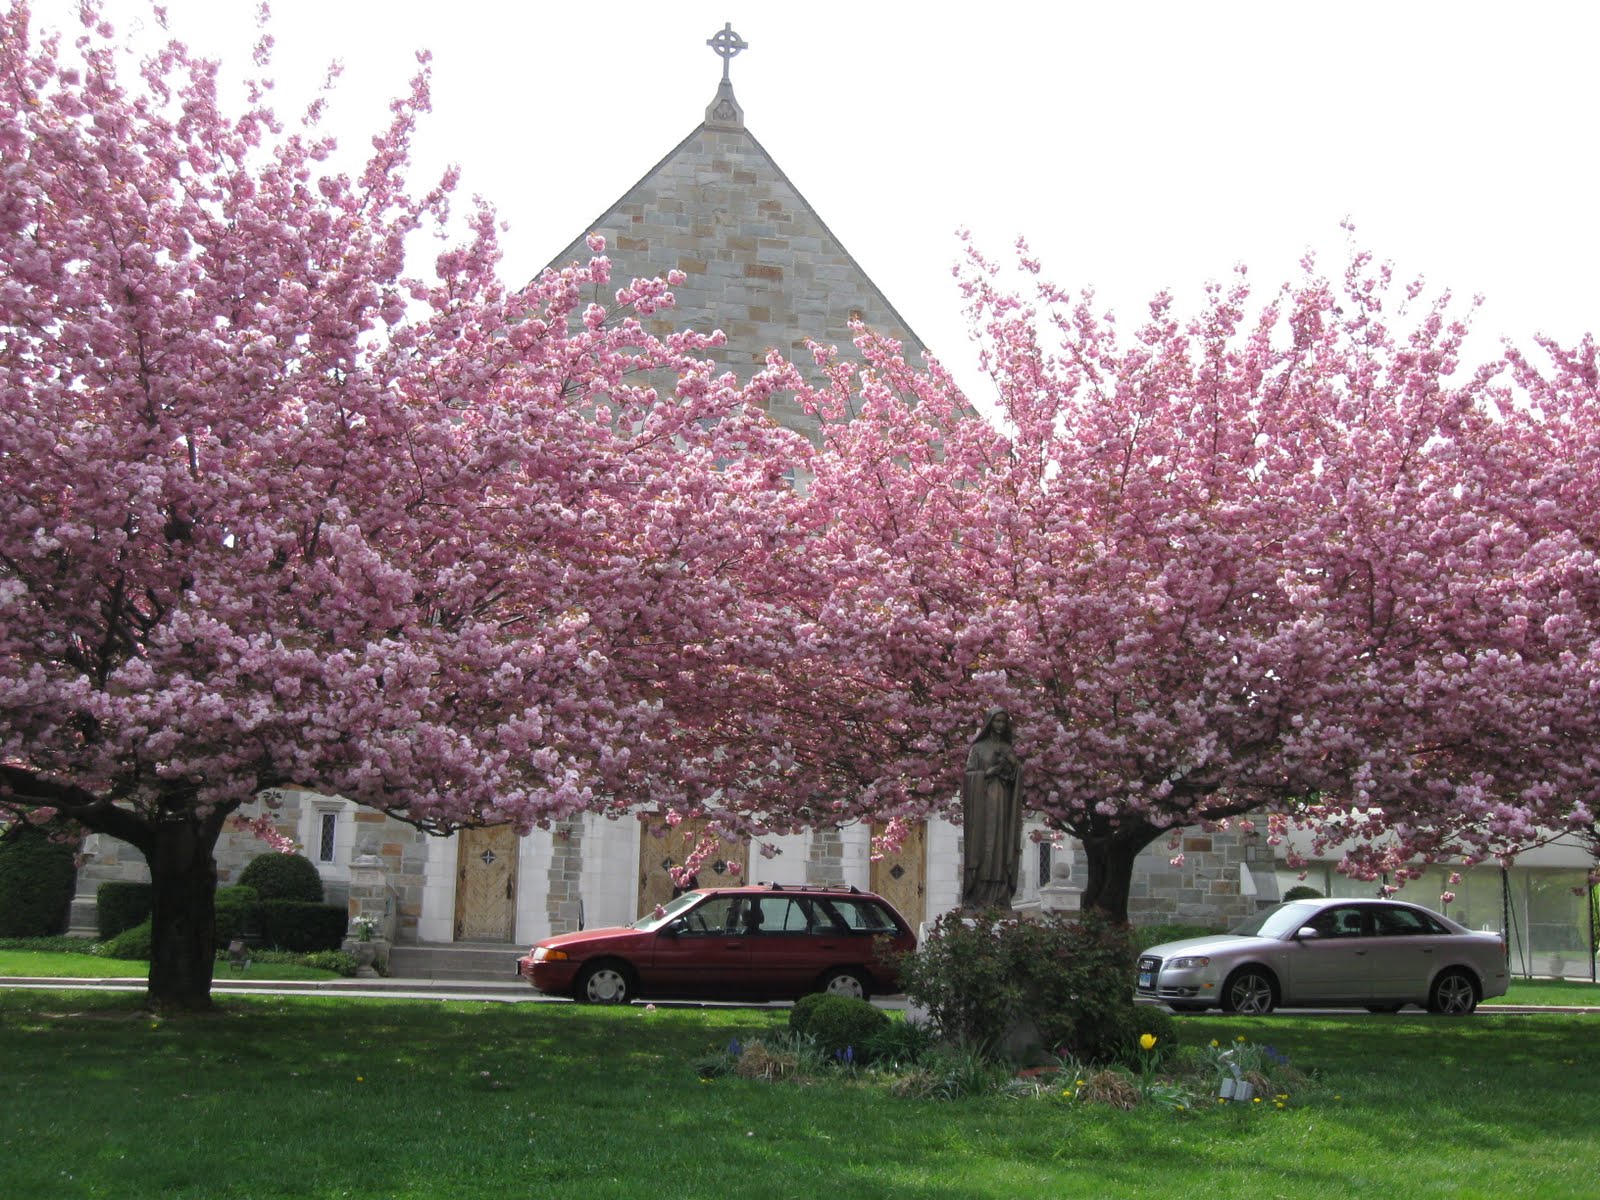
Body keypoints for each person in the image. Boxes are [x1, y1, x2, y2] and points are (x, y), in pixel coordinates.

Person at [960, 708, 1024, 911]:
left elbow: (1017, 775)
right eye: (996, 721)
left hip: (1003, 801)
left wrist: (1013, 766)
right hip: (984, 804)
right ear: (989, 723)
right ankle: (980, 894)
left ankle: (1000, 895)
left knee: (1001, 845)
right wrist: (987, 773)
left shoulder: (1007, 748)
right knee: (985, 844)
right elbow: (969, 774)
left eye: (1003, 722)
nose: (999, 725)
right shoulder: (978, 749)